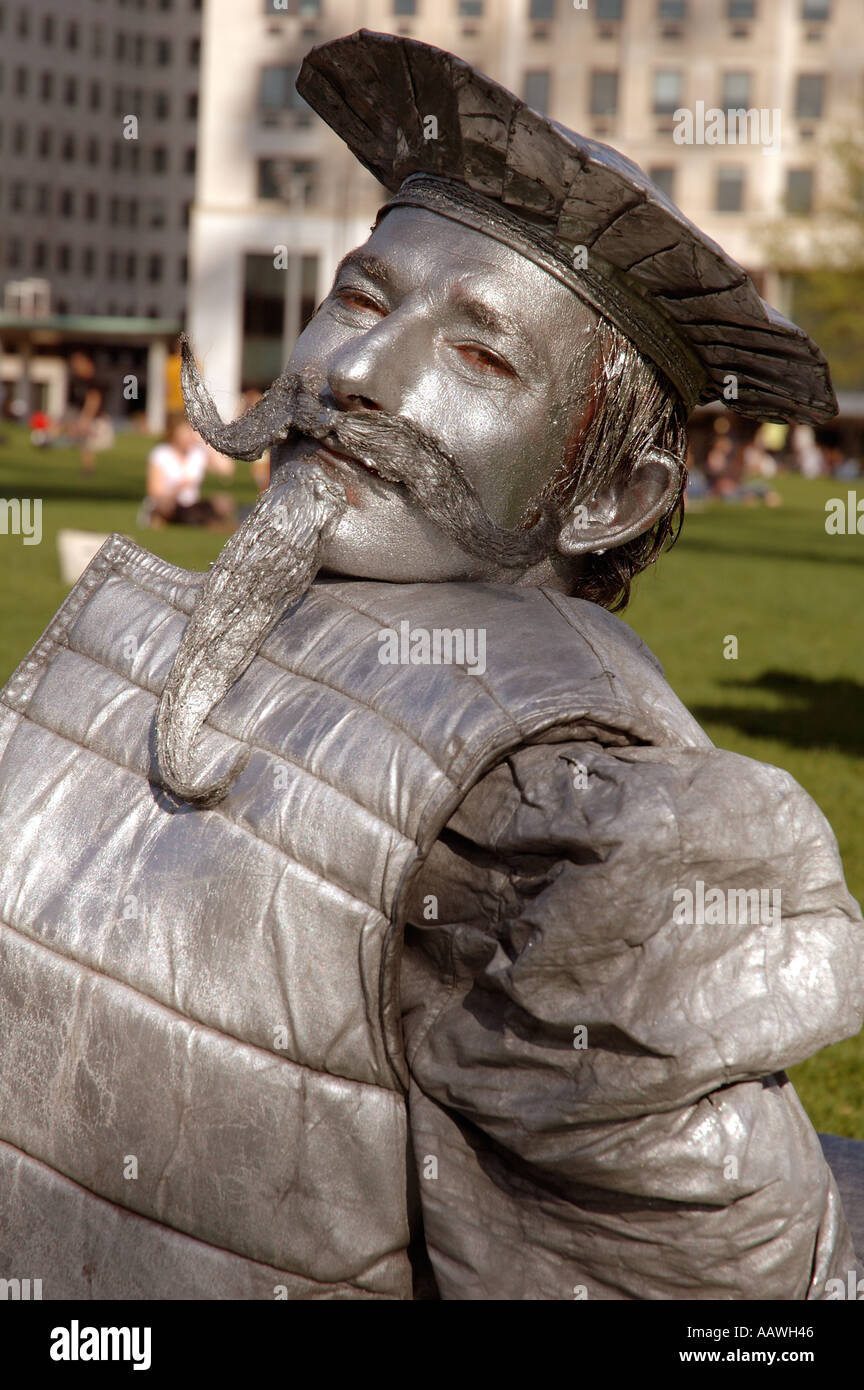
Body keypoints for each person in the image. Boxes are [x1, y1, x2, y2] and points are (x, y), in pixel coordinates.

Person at [0, 31, 861, 1302]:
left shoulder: (560, 812)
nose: (350, 374)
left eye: (477, 353)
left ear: (611, 495)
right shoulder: (130, 641)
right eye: (360, 299)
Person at [146, 414, 235, 526]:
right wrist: (178, 488)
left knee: (224, 503)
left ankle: (195, 520)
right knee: (165, 506)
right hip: (170, 502)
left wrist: (205, 443)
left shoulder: (197, 453)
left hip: (192, 504)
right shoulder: (161, 454)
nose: (188, 437)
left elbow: (226, 470)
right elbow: (154, 492)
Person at [65, 350, 114, 476]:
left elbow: (93, 400)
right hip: (87, 418)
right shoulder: (78, 381)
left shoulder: (95, 380)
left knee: (91, 445)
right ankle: (88, 470)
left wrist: (86, 418)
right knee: (84, 446)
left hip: (98, 420)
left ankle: (94, 471)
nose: (76, 368)